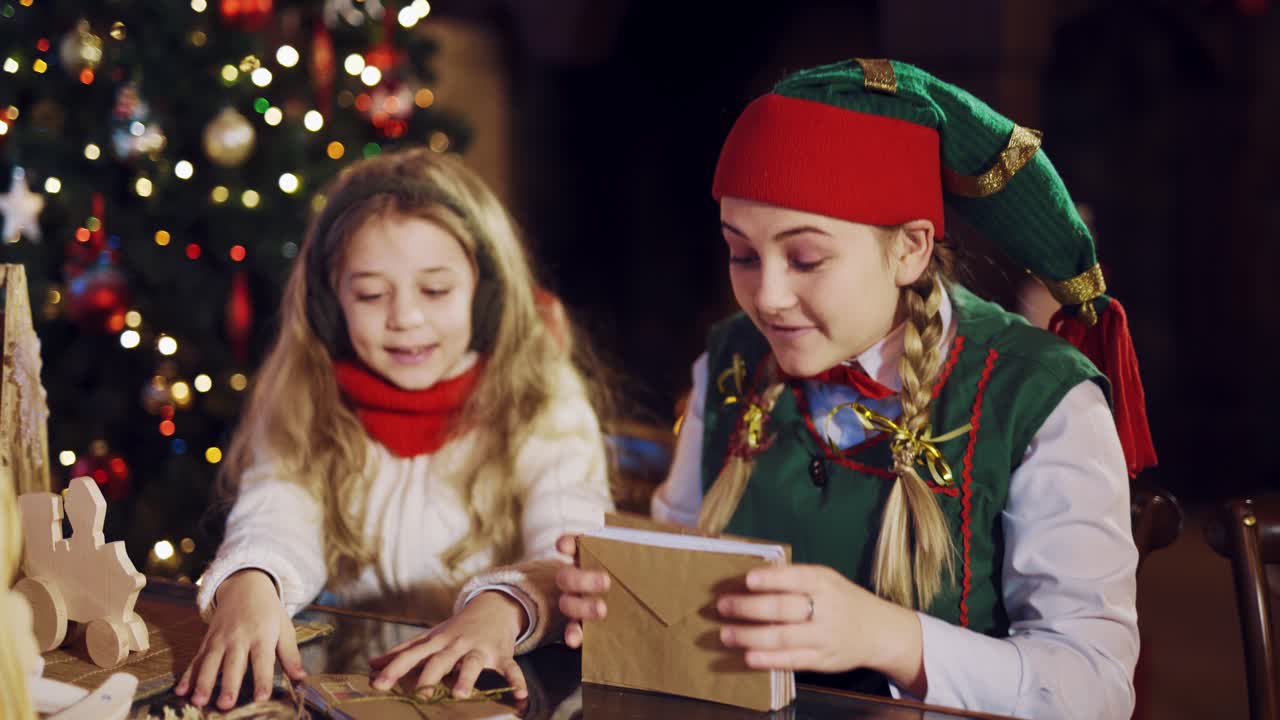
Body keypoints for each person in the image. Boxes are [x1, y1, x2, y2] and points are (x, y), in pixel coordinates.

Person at [556, 58, 1156, 719]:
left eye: (806, 258)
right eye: (743, 255)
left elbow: (1094, 690)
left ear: (911, 249)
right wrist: (619, 590)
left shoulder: (1039, 397)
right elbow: (680, 552)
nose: (769, 298)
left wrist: (881, 634)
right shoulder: (730, 362)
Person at [177, 148, 613, 710]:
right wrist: (253, 581)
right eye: (370, 294)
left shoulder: (542, 400)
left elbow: (572, 545)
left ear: (486, 295)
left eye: (435, 290)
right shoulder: (305, 398)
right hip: (353, 688)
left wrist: (506, 607)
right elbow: (275, 511)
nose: (404, 317)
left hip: (495, 692)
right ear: (331, 304)